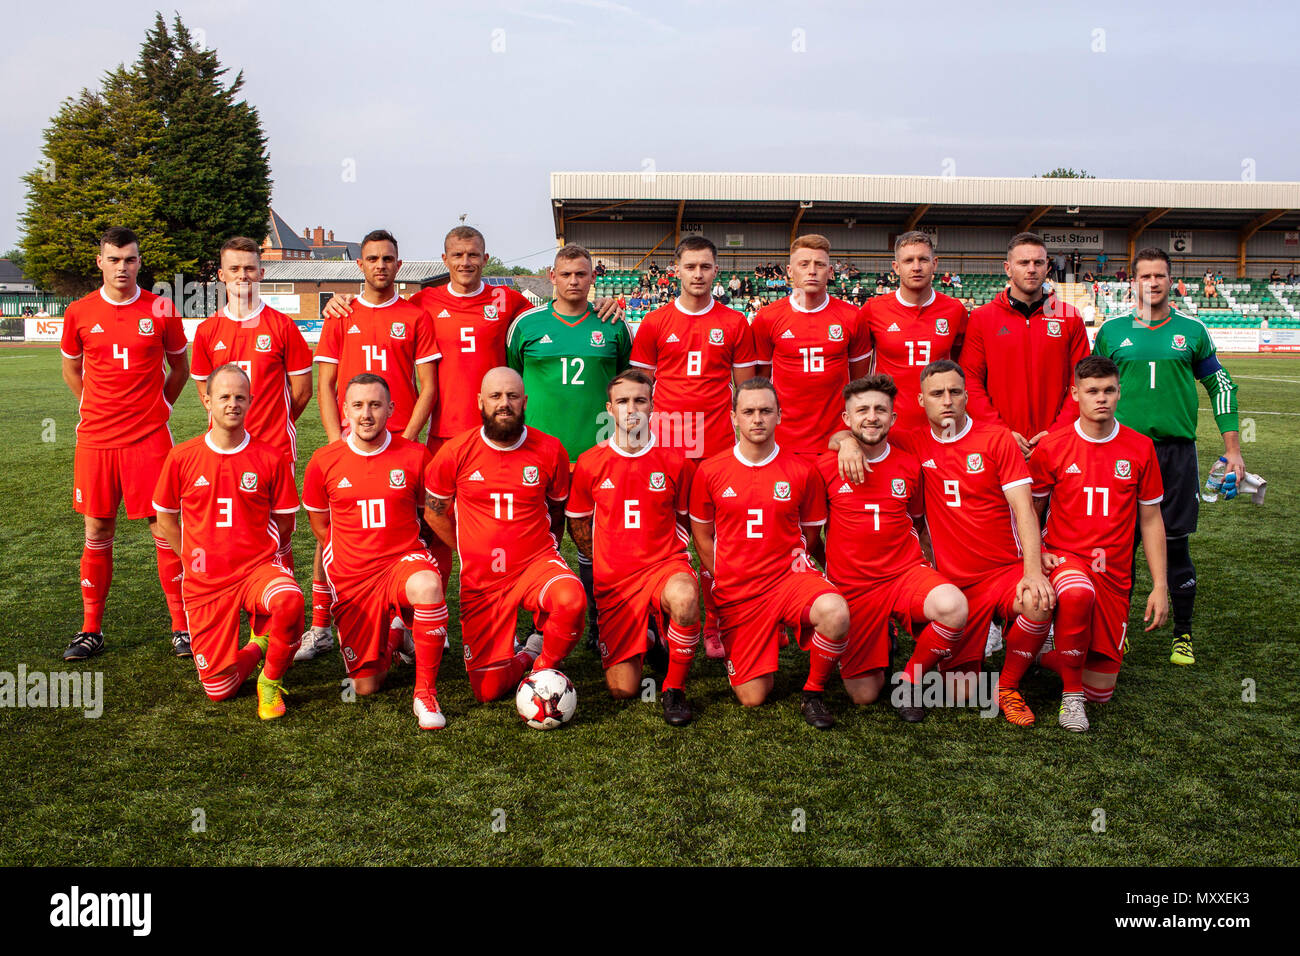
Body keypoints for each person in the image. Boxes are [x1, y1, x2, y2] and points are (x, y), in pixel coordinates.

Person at [1092, 246, 1242, 666]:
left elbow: (1222, 386)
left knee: (1175, 545)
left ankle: (1182, 635)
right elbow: (1089, 389)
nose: (1152, 283)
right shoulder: (1111, 331)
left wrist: (1233, 449)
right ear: (1133, 282)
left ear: (1170, 281)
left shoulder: (1192, 331)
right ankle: (1116, 632)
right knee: (1117, 548)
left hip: (1175, 454)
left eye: (1160, 276)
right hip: (1120, 454)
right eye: (1145, 276)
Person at [888, 360, 1054, 724]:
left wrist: (1032, 571)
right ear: (921, 400)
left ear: (966, 396)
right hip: (952, 583)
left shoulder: (995, 439)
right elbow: (855, 434)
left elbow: (1025, 510)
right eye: (937, 393)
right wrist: (846, 445)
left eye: (955, 392)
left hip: (1002, 572)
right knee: (961, 692)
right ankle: (1005, 648)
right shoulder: (912, 443)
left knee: (1038, 601)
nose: (947, 400)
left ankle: (1009, 685)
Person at [304, 230, 440, 660]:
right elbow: (324, 384)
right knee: (336, 536)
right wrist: (333, 443)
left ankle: (410, 620)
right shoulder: (340, 314)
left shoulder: (415, 316)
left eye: (388, 258)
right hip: (351, 442)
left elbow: (428, 387)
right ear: (359, 265)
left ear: (399, 265)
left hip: (399, 443)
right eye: (372, 258)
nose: (380, 265)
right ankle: (321, 625)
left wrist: (409, 440)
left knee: (413, 531)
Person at [59, 226, 190, 661]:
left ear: (139, 261)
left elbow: (179, 369)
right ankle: (90, 630)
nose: (122, 267)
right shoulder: (79, 312)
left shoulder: (162, 308)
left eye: (130, 259)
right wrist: (95, 406)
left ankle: (182, 627)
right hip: (95, 440)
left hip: (149, 440)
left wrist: (160, 409)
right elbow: (72, 370)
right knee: (97, 529)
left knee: (164, 528)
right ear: (100, 262)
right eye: (114, 259)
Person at [689, 378, 850, 728]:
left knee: (835, 612)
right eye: (748, 411)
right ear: (734, 418)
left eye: (765, 411)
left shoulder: (801, 471)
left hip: (788, 579)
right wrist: (725, 579)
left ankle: (814, 692)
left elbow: (809, 535)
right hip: (741, 590)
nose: (757, 419)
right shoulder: (711, 470)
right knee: (752, 697)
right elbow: (701, 536)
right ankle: (763, 636)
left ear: (780, 415)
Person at [627, 236, 759, 658]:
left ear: (716, 270)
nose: (698, 274)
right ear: (676, 270)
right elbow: (639, 389)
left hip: (718, 443)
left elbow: (745, 389)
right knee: (662, 531)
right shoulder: (654, 322)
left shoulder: (736, 323)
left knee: (717, 536)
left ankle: (718, 620)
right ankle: (662, 618)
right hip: (669, 441)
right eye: (690, 267)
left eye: (705, 266)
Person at [425, 368, 586, 705]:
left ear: (524, 401)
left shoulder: (549, 449)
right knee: (488, 691)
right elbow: (434, 512)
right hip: (483, 578)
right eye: (496, 396)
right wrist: (467, 548)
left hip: (534, 565)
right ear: (480, 402)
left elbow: (557, 512)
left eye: (512, 396)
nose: (504, 404)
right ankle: (529, 653)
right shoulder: (455, 452)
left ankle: (543, 670)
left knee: (571, 599)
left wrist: (548, 549)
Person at [153, 365, 303, 718]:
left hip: (255, 570)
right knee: (220, 690)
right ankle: (258, 645)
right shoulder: (182, 457)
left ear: (251, 401)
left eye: (239, 397)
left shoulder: (270, 457)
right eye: (223, 396)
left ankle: (269, 683)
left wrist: (263, 558)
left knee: (290, 601)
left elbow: (284, 522)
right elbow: (165, 520)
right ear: (207, 401)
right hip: (206, 582)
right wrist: (193, 560)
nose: (232, 404)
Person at [1027, 356, 1168, 730]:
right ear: (1075, 394)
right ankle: (1070, 700)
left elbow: (1151, 520)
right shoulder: (1053, 447)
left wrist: (1159, 586)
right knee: (1076, 593)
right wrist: (1037, 554)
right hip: (1067, 561)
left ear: (1120, 392)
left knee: (1101, 690)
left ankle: (1041, 651)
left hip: (1114, 573)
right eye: (1092, 391)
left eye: (1108, 390)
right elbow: (1031, 511)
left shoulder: (1140, 448)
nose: (1100, 398)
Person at [302, 374, 450, 728]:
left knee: (428, 585)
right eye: (358, 405)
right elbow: (322, 527)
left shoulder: (415, 455)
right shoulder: (323, 461)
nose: (366, 414)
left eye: (375, 405)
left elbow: (434, 512)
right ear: (345, 411)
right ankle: (396, 634)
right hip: (353, 577)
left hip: (402, 562)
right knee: (364, 686)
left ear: (391, 410)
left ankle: (425, 694)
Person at [813, 374, 967, 708]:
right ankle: (884, 636)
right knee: (864, 696)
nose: (872, 417)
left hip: (902, 575)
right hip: (853, 586)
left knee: (953, 605)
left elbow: (916, 521)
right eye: (863, 410)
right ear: (847, 419)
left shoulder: (909, 464)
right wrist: (830, 576)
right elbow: (811, 537)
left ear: (893, 418)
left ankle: (910, 682)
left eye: (880, 410)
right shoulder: (825, 468)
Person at [507, 243, 632, 645]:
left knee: (595, 545)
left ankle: (601, 624)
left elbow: (627, 385)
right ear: (552, 278)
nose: (574, 281)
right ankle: (540, 627)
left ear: (593, 279)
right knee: (536, 541)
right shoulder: (526, 325)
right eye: (566, 274)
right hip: (538, 455)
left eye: (582, 274)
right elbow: (511, 380)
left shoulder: (612, 325)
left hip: (595, 456)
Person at [566, 370, 700, 723]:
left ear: (652, 406)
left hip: (663, 568)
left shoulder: (675, 461)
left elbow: (686, 521)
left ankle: (674, 689)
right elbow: (579, 522)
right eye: (623, 401)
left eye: (640, 400)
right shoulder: (590, 463)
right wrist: (603, 562)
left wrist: (672, 556)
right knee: (623, 691)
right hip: (616, 582)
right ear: (610, 408)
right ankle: (652, 636)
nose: (632, 409)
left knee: (685, 598)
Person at [190, 236, 313, 575]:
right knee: (228, 532)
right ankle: (233, 601)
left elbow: (302, 392)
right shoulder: (207, 331)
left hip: (274, 448)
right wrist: (230, 428)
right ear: (221, 275)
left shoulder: (283, 325)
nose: (242, 275)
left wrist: (274, 420)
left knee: (279, 536)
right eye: (234, 269)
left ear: (261, 273)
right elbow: (205, 392)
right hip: (225, 452)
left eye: (249, 268)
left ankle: (280, 616)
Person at [960, 232, 1089, 461]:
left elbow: (1081, 381)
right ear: (1008, 268)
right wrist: (999, 431)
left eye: (1038, 262)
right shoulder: (982, 318)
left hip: (1058, 444)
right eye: (1023, 263)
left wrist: (1057, 432)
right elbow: (970, 381)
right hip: (999, 444)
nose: (1031, 269)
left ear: (1047, 267)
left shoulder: (1069, 317)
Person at [750, 234, 872, 457]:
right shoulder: (767, 318)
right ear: (789, 270)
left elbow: (859, 384)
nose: (812, 271)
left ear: (830, 271)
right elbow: (760, 383)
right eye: (804, 264)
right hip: (783, 439)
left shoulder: (852, 317)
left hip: (838, 439)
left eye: (820, 264)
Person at [856, 230, 968, 436]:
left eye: (923, 259)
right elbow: (858, 370)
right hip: (890, 426)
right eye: (908, 261)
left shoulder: (954, 310)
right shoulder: (873, 309)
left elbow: (963, 367)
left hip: (940, 427)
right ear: (896, 267)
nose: (916, 267)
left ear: (934, 263)